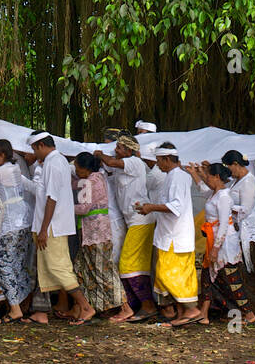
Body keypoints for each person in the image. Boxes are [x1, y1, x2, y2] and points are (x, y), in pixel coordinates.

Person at [28, 132, 92, 324]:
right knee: (45, 269)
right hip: (50, 225)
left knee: (59, 268)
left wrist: (43, 229)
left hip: (52, 227)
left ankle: (86, 307)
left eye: (33, 149)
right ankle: (41, 312)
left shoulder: (54, 163)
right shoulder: (55, 162)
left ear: (40, 145)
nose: (33, 154)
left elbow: (52, 198)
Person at [98, 133, 158, 323]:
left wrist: (99, 153)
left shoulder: (134, 162)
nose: (115, 151)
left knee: (127, 265)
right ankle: (136, 306)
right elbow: (109, 168)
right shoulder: (120, 165)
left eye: (119, 148)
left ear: (129, 151)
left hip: (142, 220)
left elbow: (111, 162)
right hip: (133, 221)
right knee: (136, 266)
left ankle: (146, 306)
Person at [138, 142, 200, 325]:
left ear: (166, 159)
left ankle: (192, 309)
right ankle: (182, 314)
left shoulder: (177, 177)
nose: (157, 164)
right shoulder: (175, 176)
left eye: (159, 160)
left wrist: (150, 208)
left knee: (169, 274)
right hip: (169, 235)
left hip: (175, 236)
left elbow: (176, 207)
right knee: (169, 274)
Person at [0, 139, 36, 322]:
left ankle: (14, 308)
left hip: (11, 222)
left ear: (5, 154)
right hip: (23, 219)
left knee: (3, 264)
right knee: (18, 264)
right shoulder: (15, 167)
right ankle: (22, 301)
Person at [193, 162, 255, 325]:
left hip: (224, 244)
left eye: (209, 176)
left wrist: (215, 248)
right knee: (208, 277)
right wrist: (196, 173)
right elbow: (202, 188)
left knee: (232, 280)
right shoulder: (215, 194)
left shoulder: (224, 197)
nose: (207, 180)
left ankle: (248, 314)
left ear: (217, 177)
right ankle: (203, 313)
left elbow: (223, 225)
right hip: (213, 240)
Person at [72, 152, 126, 318]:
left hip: (95, 233)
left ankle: (125, 307)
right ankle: (96, 306)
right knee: (82, 268)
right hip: (95, 231)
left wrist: (63, 207)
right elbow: (75, 184)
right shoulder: (98, 177)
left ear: (85, 168)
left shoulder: (89, 182)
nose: (75, 171)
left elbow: (84, 208)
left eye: (77, 168)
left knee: (103, 270)